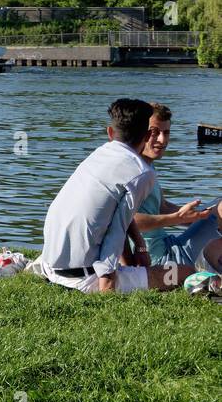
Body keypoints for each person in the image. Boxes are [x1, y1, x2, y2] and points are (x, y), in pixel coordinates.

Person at [38, 99, 187, 294]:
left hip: (51, 266)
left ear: (110, 133)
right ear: (148, 134)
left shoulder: (99, 155)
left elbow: (119, 216)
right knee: (183, 272)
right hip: (84, 278)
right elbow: (116, 231)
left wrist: (140, 245)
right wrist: (108, 279)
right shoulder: (142, 173)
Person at [132, 103, 222, 274]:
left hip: (169, 245)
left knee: (216, 207)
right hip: (158, 261)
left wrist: (196, 216)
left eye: (166, 132)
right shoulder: (134, 172)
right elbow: (127, 220)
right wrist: (178, 218)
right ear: (139, 132)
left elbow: (161, 207)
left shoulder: (147, 166)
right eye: (154, 132)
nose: (162, 140)